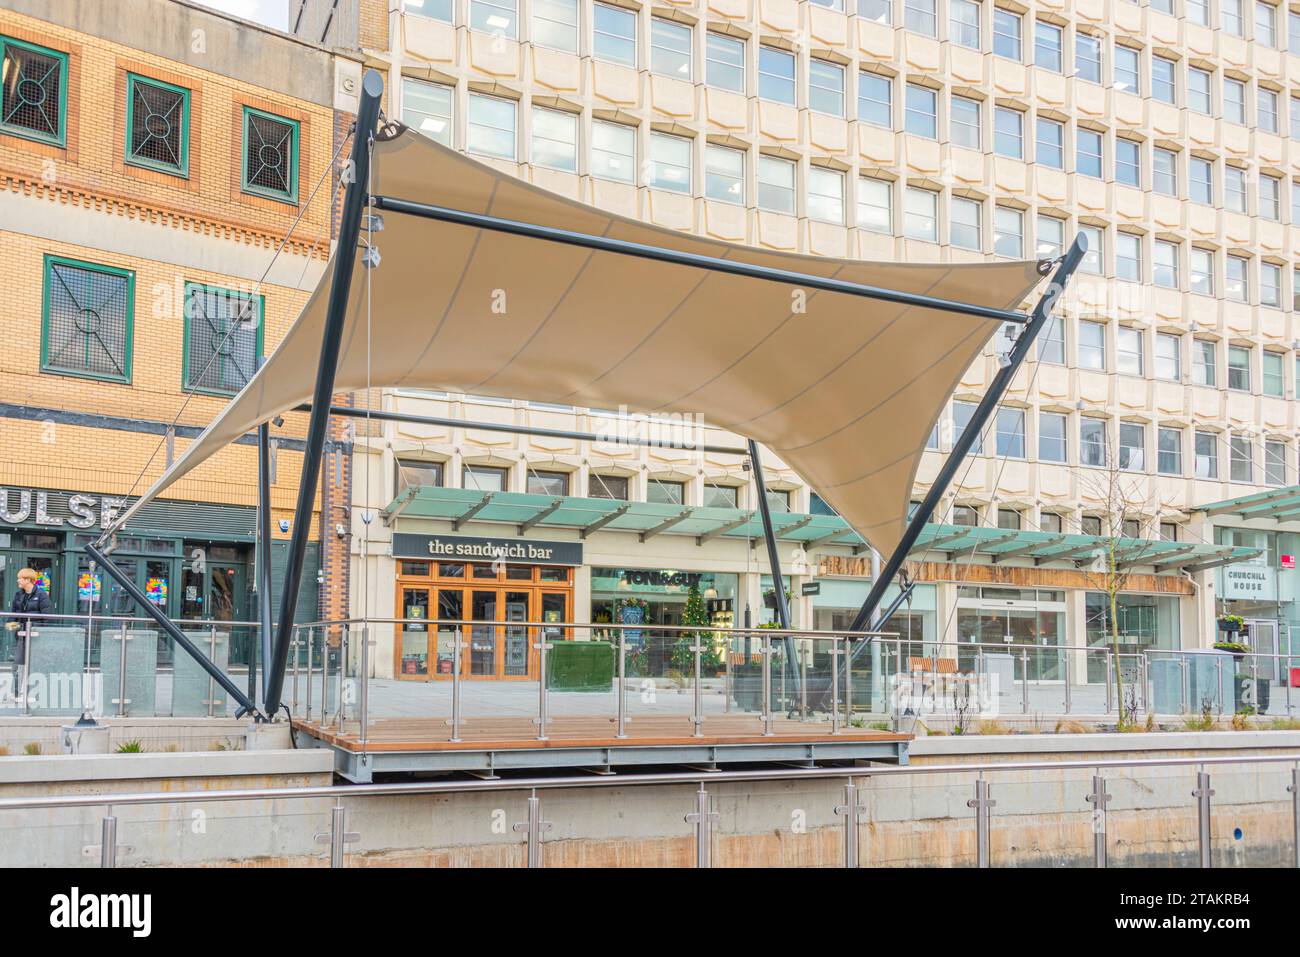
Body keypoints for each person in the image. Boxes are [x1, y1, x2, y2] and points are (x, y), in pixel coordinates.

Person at [6, 569, 51, 706]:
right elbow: (14, 613)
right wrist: (11, 623)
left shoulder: (42, 595)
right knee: (17, 665)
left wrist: (41, 633)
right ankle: (15, 694)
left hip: (36, 637)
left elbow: (47, 617)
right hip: (22, 636)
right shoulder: (18, 595)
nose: (18, 580)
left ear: (28, 580)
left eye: (20, 578)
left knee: (35, 666)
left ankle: (34, 695)